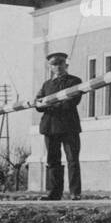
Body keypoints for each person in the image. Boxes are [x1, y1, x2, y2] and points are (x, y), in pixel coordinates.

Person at [35, 52, 84, 200]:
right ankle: (54, 192)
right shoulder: (46, 84)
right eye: (54, 64)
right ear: (50, 67)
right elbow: (38, 104)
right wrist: (45, 104)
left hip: (69, 126)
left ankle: (75, 193)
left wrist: (50, 104)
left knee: (72, 159)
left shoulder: (74, 81)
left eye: (61, 63)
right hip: (50, 127)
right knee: (52, 160)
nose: (58, 66)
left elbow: (72, 101)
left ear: (66, 64)